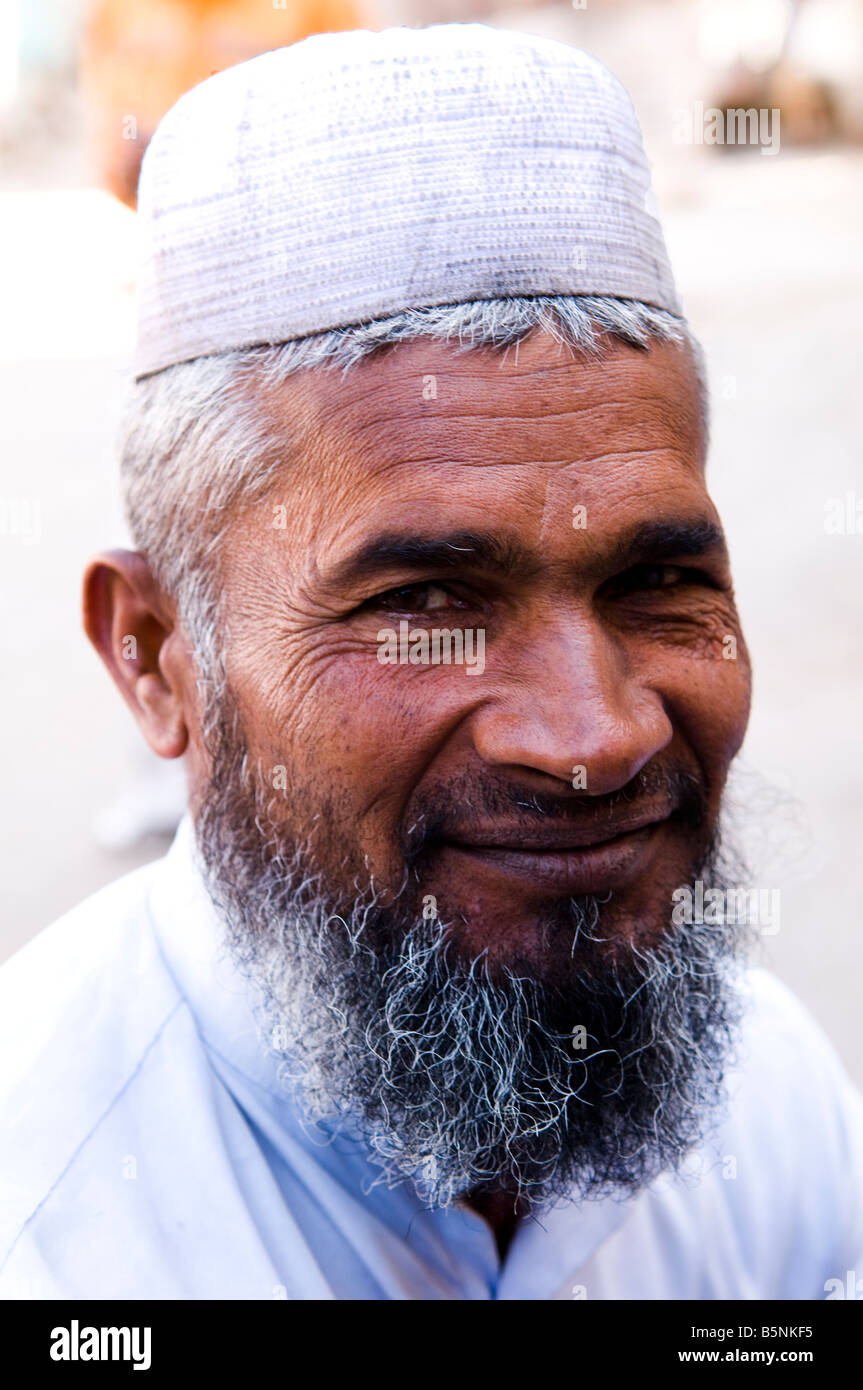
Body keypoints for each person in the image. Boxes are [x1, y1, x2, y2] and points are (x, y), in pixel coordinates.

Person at [2, 23, 862, 1301]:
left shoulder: (771, 1105)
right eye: (421, 606)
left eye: (656, 584)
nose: (591, 738)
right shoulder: (48, 1227)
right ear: (155, 655)